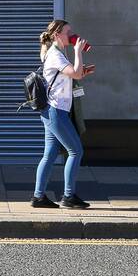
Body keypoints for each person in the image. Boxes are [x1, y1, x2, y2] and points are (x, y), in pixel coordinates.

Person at [32, 19, 95, 210]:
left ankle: (38, 197)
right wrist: (78, 52)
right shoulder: (55, 55)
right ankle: (68, 196)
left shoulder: (58, 54)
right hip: (55, 111)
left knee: (49, 155)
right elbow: (74, 74)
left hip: (54, 111)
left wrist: (82, 70)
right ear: (58, 34)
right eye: (68, 32)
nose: (72, 35)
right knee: (76, 151)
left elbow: (73, 74)